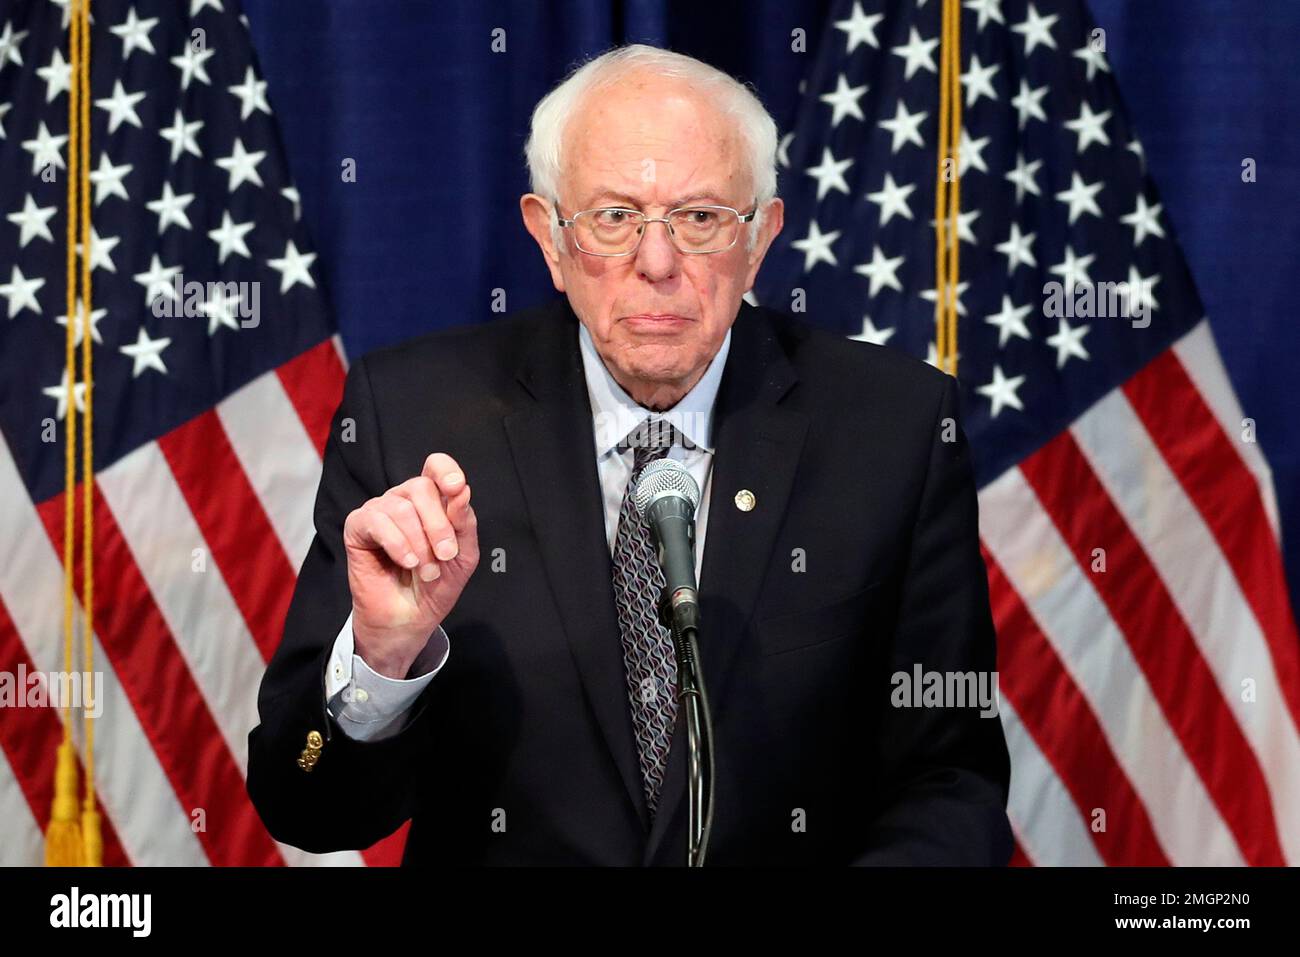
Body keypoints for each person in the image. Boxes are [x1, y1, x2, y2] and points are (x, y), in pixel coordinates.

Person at [247, 44, 1012, 865]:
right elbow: (304, 806)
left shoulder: (891, 427)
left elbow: (950, 781)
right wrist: (383, 661)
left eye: (700, 217)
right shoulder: (412, 419)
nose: (657, 263)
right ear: (550, 238)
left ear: (760, 237)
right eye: (614, 218)